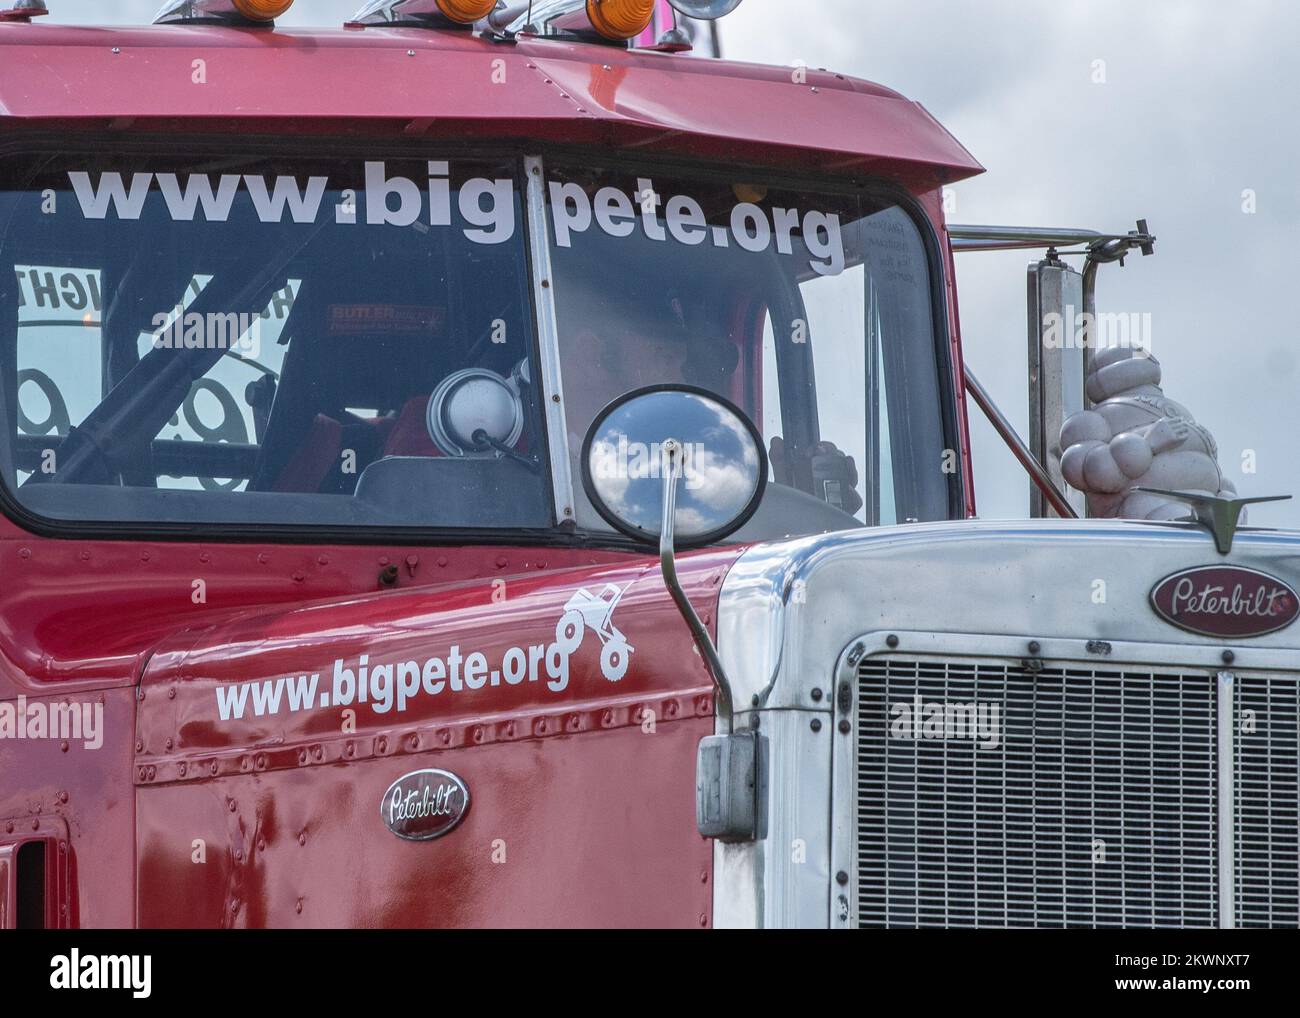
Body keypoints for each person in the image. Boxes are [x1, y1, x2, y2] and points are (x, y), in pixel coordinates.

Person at [560, 286, 864, 517]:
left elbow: (700, 549)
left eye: (682, 363)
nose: (680, 379)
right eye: (663, 356)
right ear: (592, 356)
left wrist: (797, 507)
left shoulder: (679, 471)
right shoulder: (523, 476)